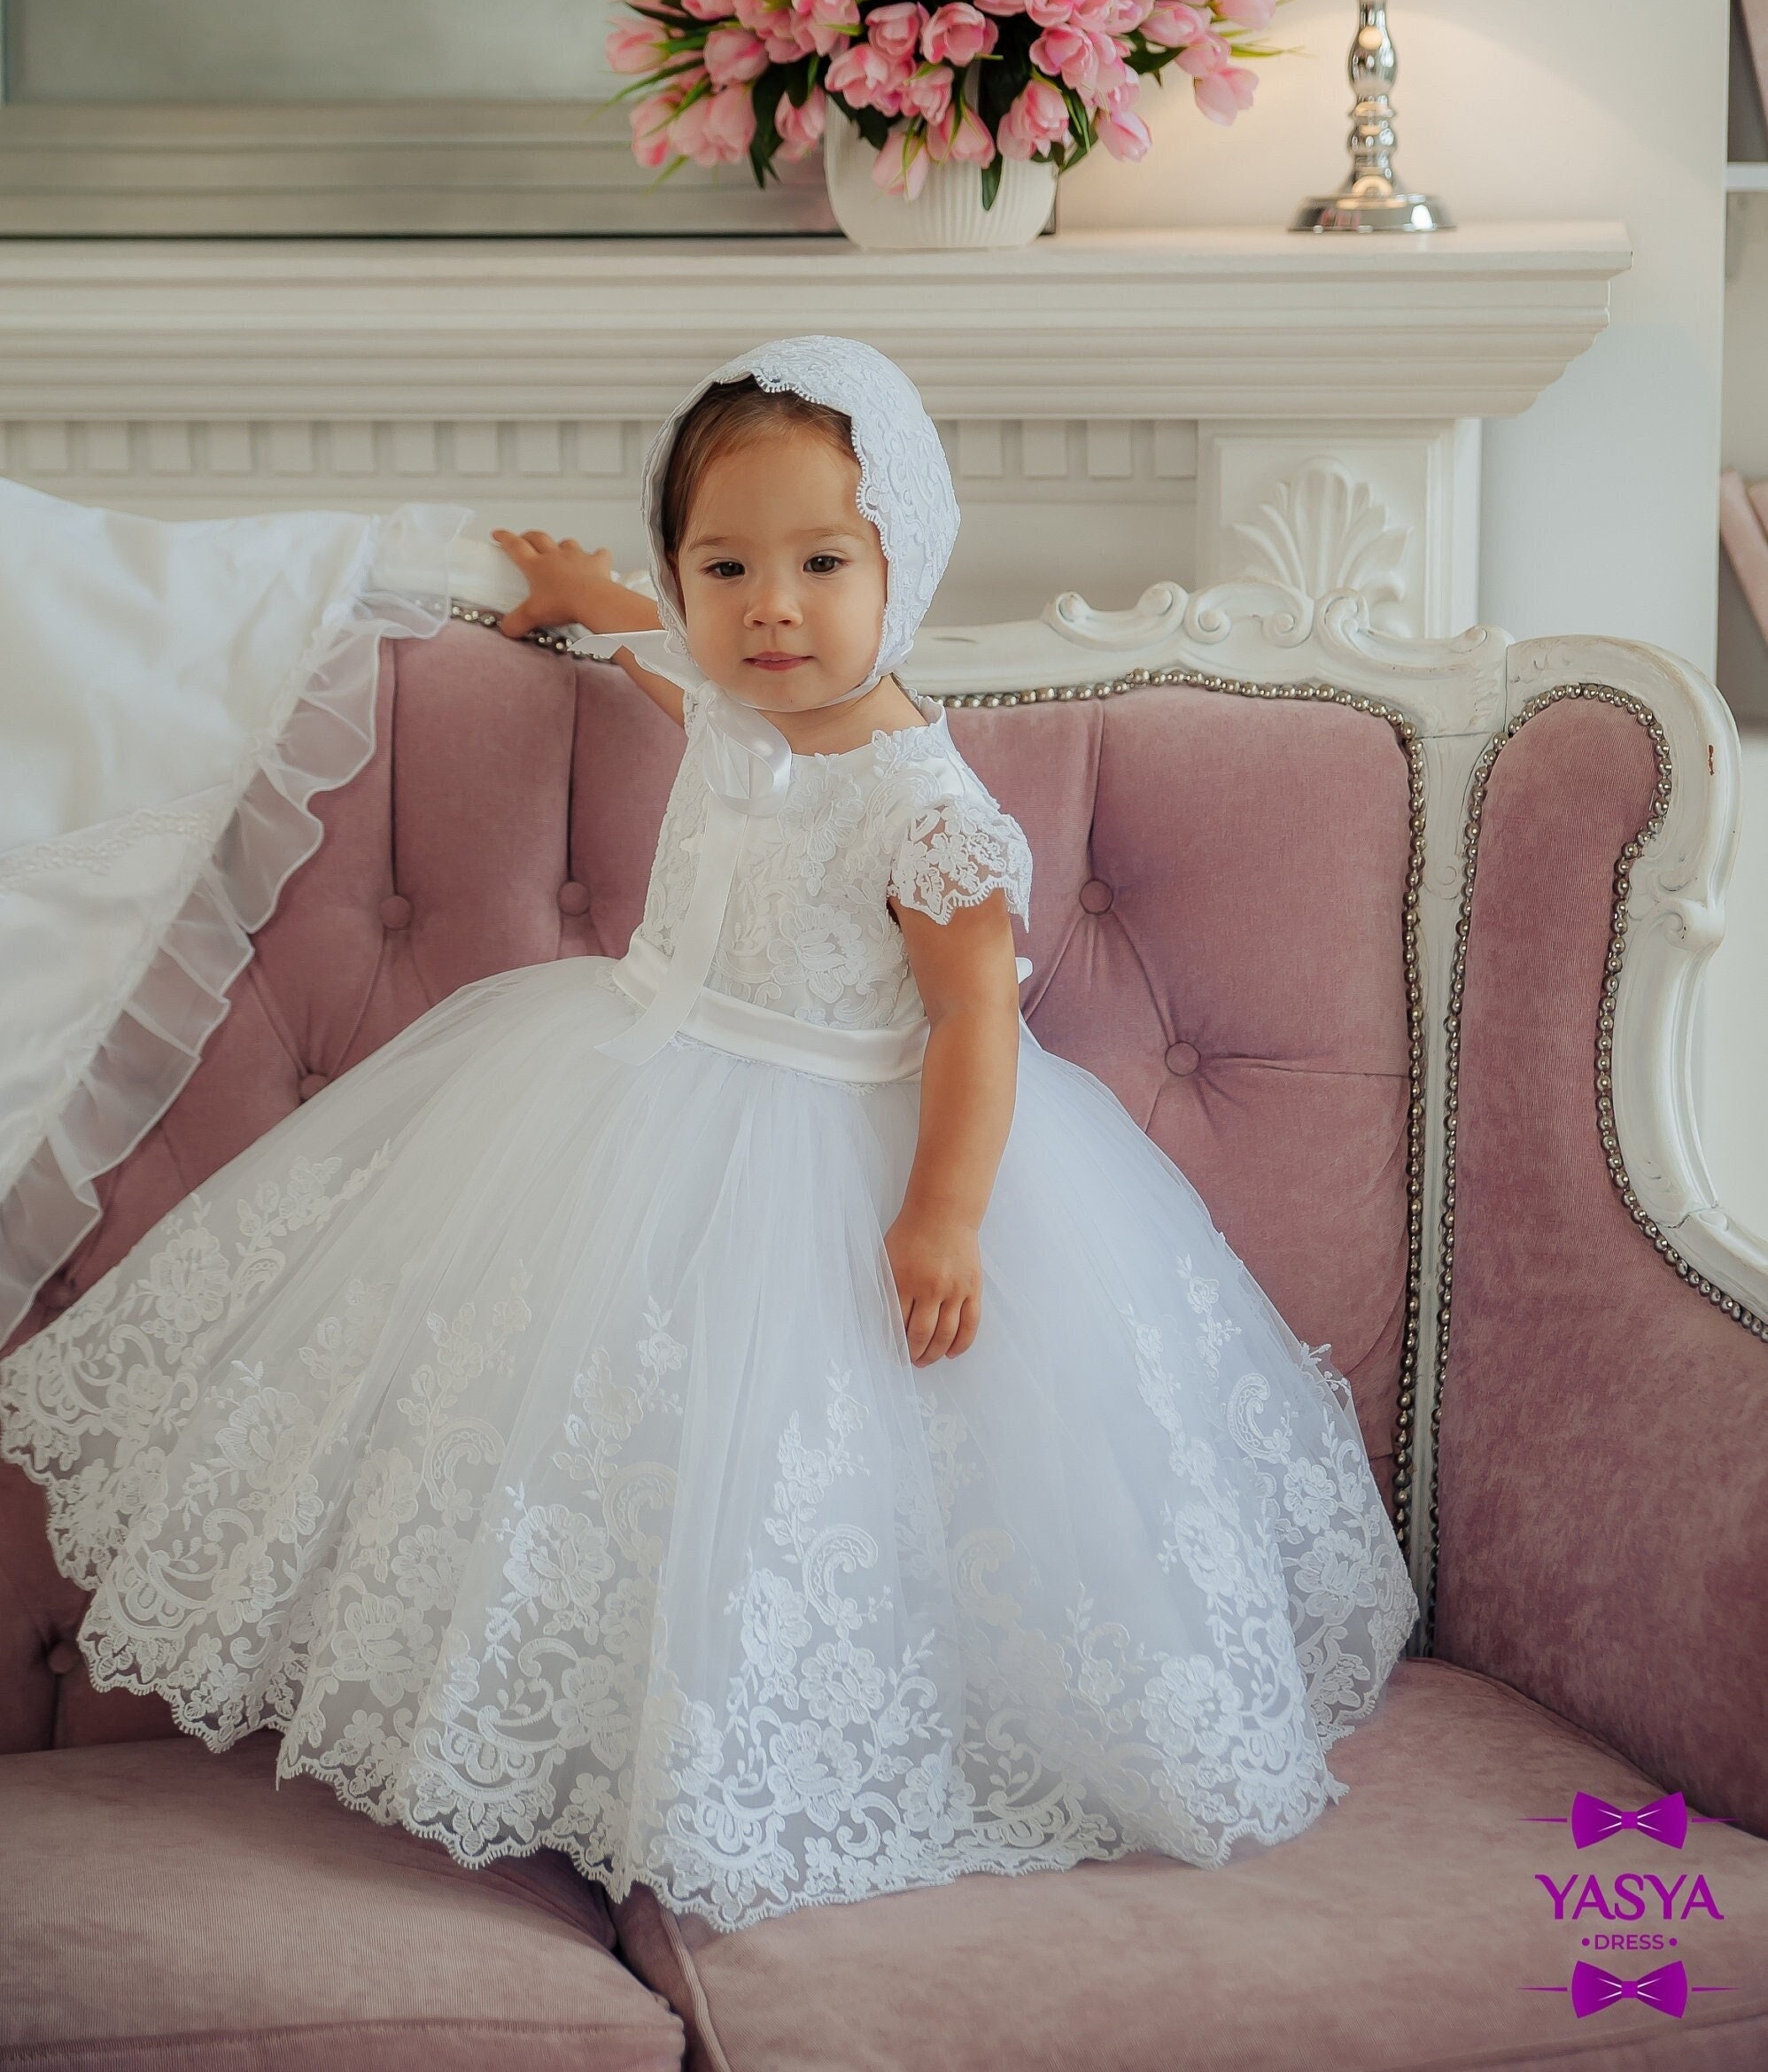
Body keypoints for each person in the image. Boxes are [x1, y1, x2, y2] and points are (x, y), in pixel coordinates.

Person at [0, 335, 1417, 1933]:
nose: (772, 608)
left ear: (906, 562)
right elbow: (656, 659)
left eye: (822, 563)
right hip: (631, 1086)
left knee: (804, 1490)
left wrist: (945, 1214)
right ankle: (573, 1738)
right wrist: (585, 598)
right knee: (575, 1443)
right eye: (723, 565)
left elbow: (972, 1023)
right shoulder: (725, 694)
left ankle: (766, 1758)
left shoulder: (926, 804)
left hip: (841, 1157)